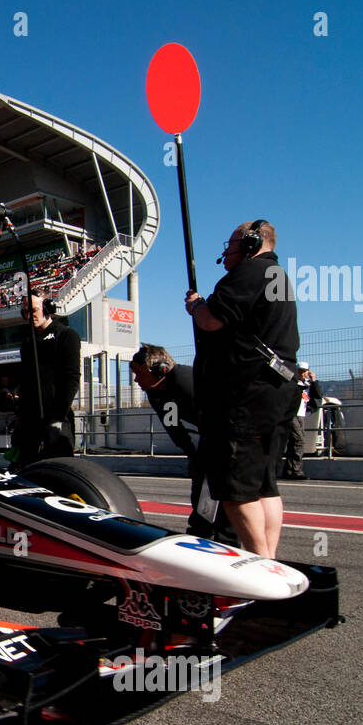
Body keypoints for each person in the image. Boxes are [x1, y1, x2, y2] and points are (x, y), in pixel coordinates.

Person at [185, 219, 299, 558]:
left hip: (247, 396)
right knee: (264, 484)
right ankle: (268, 559)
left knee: (235, 489)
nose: (227, 251)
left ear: (251, 243)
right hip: (277, 391)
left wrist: (196, 305)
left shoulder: (250, 274)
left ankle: (259, 565)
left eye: (232, 243)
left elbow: (211, 320)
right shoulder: (278, 277)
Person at [130, 344, 238, 545]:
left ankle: (228, 540)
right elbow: (174, 426)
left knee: (223, 489)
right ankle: (200, 531)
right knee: (200, 482)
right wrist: (191, 453)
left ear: (160, 370)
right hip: (209, 438)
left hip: (231, 435)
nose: (136, 380)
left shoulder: (188, 381)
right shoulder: (157, 393)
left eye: (139, 374)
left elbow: (220, 417)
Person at [15, 291, 80, 467]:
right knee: (23, 471)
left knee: (60, 470)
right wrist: (20, 409)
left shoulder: (66, 335)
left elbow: (72, 379)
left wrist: (56, 416)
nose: (29, 316)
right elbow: (26, 379)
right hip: (29, 419)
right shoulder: (27, 342)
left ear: (47, 308)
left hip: (56, 417)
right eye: (25, 312)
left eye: (33, 310)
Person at [282, 361, 323, 480]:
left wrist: (314, 381)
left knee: (294, 442)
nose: (303, 373)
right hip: (292, 414)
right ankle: (296, 470)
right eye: (300, 371)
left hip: (301, 415)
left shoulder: (308, 384)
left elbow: (318, 395)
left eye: (305, 371)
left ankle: (289, 470)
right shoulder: (293, 382)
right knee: (299, 441)